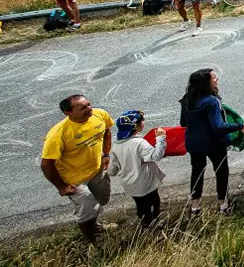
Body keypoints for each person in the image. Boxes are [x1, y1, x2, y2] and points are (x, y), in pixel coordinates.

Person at [40, 94, 113, 243]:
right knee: (86, 211)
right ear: (68, 113)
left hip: (97, 170)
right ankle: (91, 239)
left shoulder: (100, 114)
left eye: (88, 104)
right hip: (74, 181)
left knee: (101, 200)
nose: (89, 109)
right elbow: (46, 164)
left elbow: (107, 133)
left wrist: (106, 155)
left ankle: (95, 225)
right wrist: (61, 187)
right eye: (83, 107)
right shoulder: (57, 134)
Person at [179, 69, 244, 215]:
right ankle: (223, 206)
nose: (217, 79)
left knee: (197, 172)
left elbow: (183, 122)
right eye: (214, 78)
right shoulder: (211, 101)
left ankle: (195, 208)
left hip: (194, 144)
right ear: (206, 83)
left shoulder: (186, 99)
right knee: (221, 172)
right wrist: (239, 126)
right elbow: (219, 127)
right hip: (215, 144)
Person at [107, 110, 166, 228]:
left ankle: (144, 222)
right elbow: (156, 156)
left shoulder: (115, 147)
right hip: (146, 184)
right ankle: (153, 225)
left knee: (141, 205)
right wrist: (161, 138)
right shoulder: (139, 143)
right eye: (141, 121)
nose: (143, 122)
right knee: (154, 203)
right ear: (136, 126)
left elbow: (111, 171)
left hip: (131, 186)